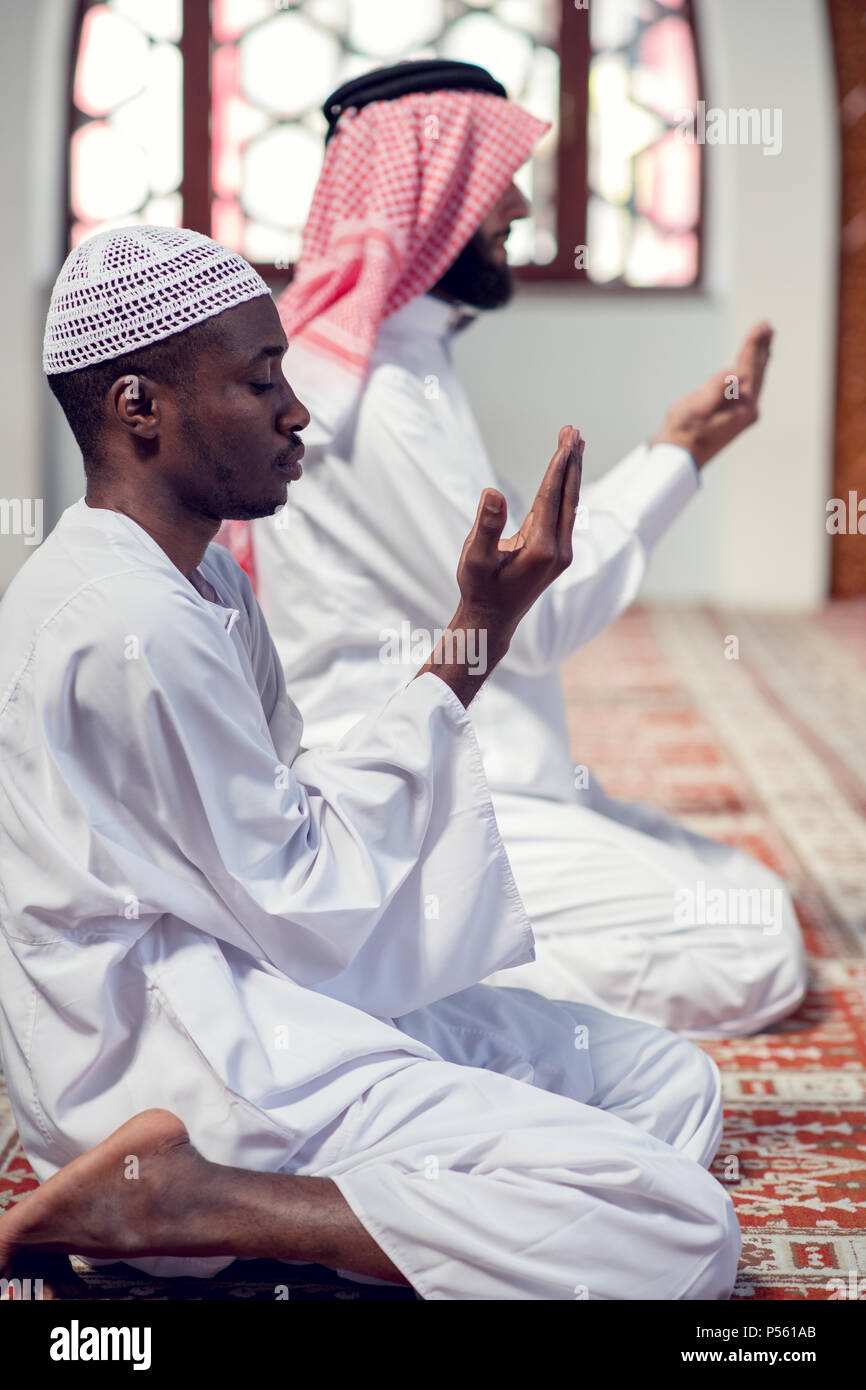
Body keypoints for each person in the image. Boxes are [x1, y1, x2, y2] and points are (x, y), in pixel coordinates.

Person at [0, 223, 738, 1301]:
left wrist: (475, 632)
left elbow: (288, 838)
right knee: (680, 1231)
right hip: (169, 1049)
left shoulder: (201, 583)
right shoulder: (127, 623)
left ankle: (261, 1249)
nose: (295, 410)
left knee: (668, 1084)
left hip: (252, 979)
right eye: (261, 381)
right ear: (137, 406)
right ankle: (190, 1203)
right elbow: (303, 894)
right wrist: (467, 641)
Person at [233, 60, 807, 1038]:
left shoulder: (399, 357)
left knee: (738, 886)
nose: (521, 201)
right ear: (434, 186)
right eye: (496, 169)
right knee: (746, 947)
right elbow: (530, 620)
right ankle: (385, 978)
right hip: (413, 794)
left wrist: (679, 451)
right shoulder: (367, 391)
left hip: (485, 772)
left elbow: (519, 585)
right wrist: (679, 455)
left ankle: (414, 950)